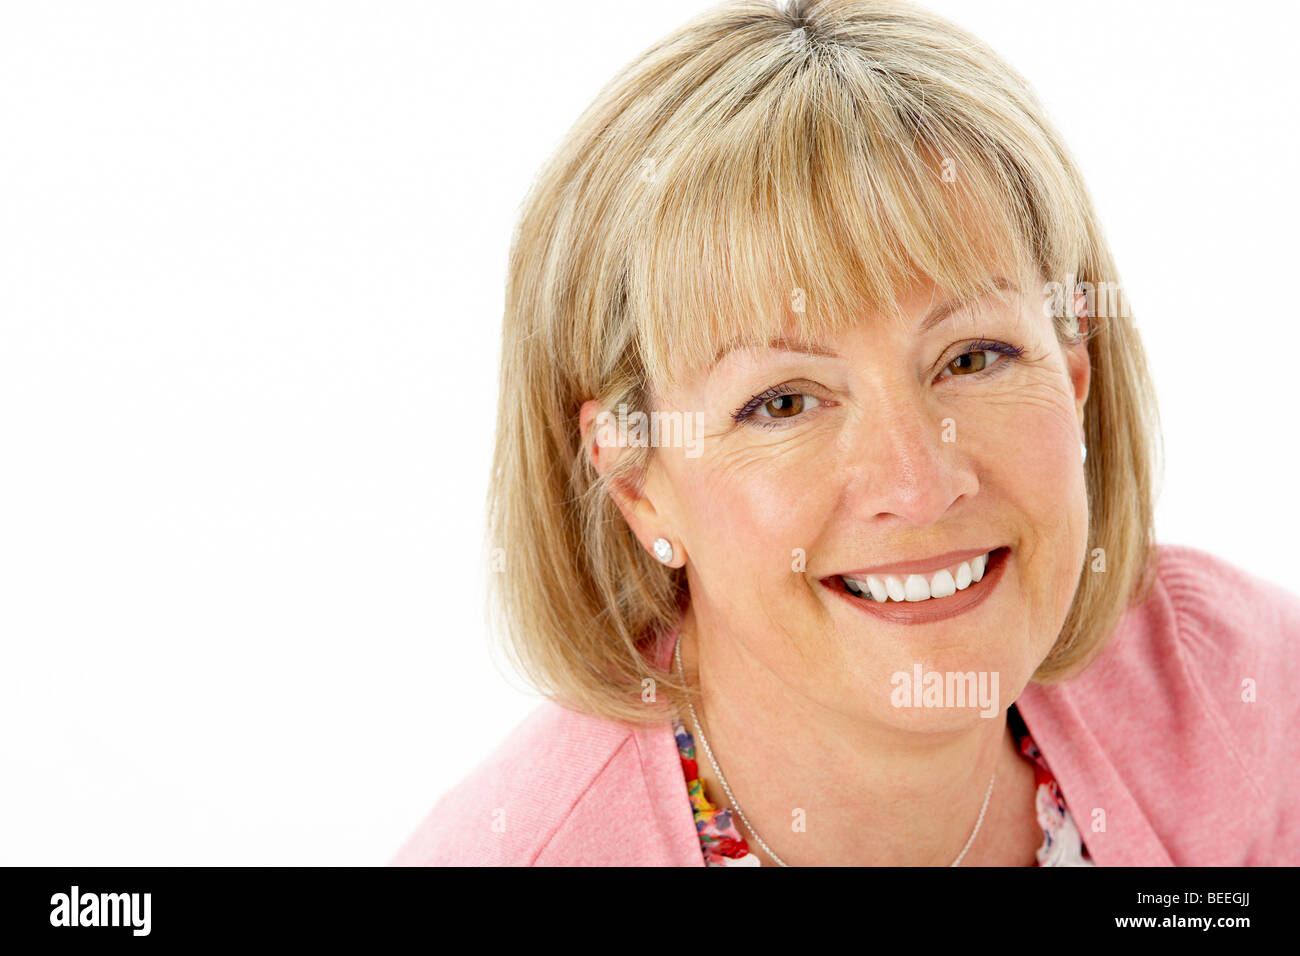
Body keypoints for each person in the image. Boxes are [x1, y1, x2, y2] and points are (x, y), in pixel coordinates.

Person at [392, 0, 1300, 866]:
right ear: (636, 481)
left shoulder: (1243, 691)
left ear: (1072, 375)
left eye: (973, 356)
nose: (919, 485)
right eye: (784, 402)